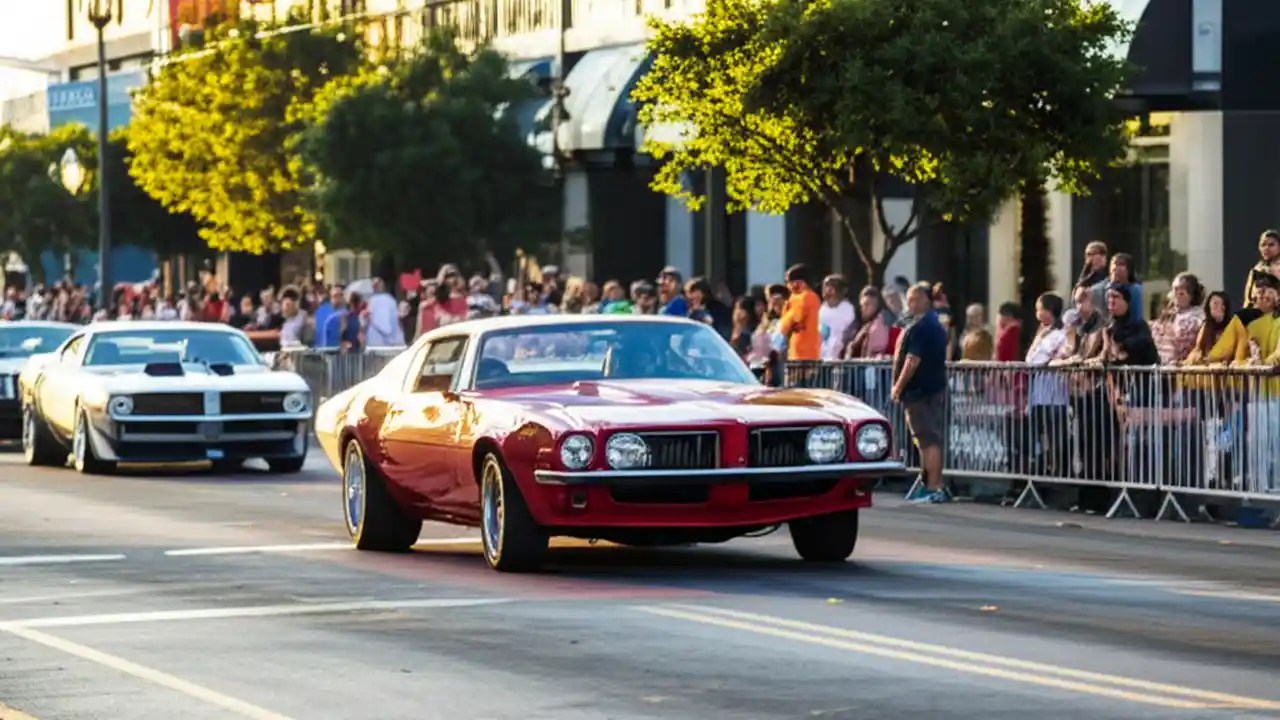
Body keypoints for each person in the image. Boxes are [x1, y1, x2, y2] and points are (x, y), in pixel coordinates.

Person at [891, 283, 950, 503]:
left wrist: (898, 386)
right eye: (909, 299)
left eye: (915, 299)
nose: (910, 303)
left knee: (927, 440)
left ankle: (933, 486)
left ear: (926, 299)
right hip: (931, 388)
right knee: (926, 439)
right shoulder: (932, 323)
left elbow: (912, 360)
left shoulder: (922, 326)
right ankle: (930, 485)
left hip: (919, 390)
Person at [777, 264, 821, 362]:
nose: (788, 286)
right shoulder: (797, 299)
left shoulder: (807, 297)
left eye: (789, 282)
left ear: (800, 282)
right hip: (797, 353)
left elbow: (789, 323)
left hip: (806, 356)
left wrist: (787, 308)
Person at [818, 274, 855, 360]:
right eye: (825, 285)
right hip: (821, 359)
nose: (827, 289)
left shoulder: (848, 309)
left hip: (839, 360)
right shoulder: (822, 309)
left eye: (831, 285)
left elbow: (850, 334)